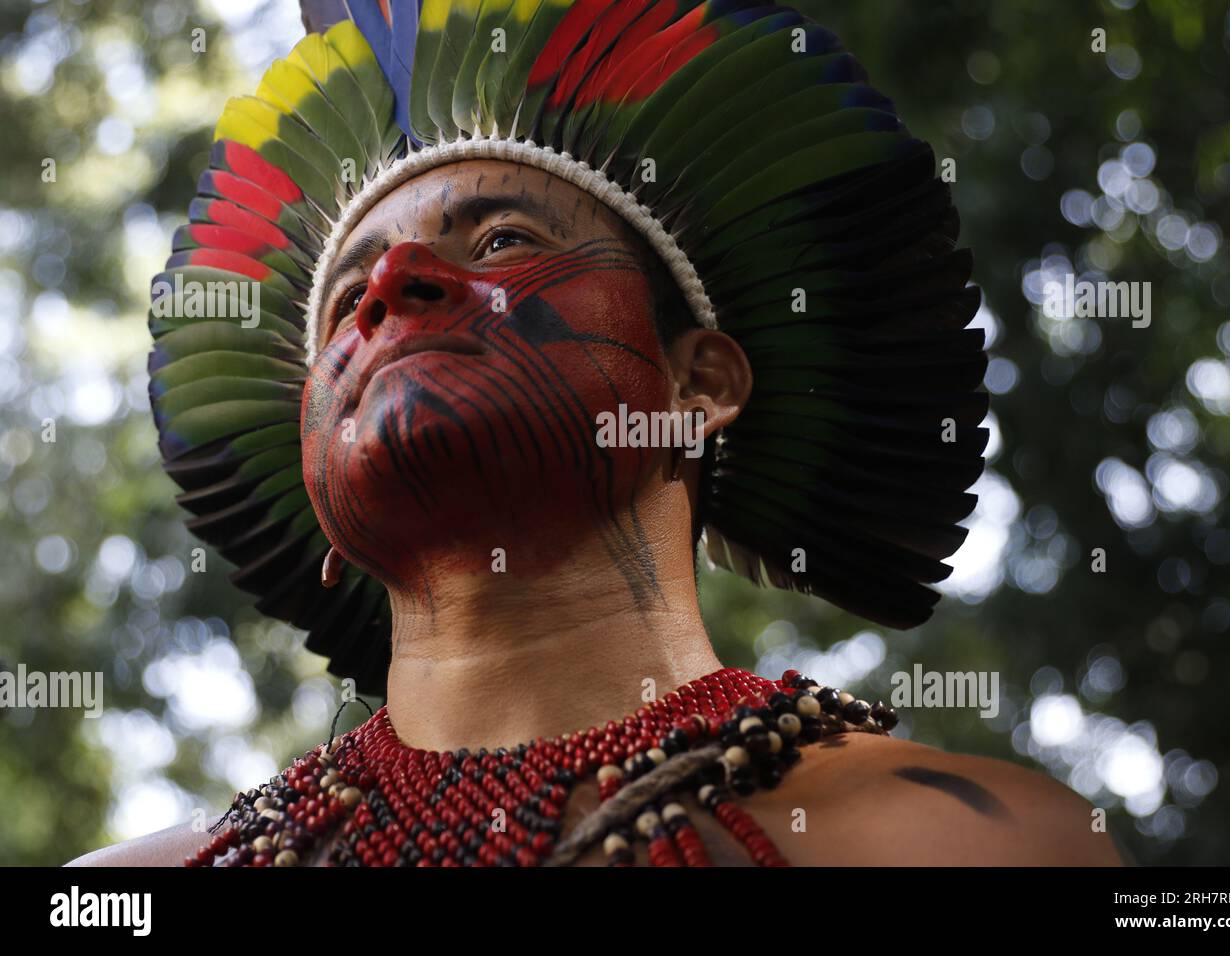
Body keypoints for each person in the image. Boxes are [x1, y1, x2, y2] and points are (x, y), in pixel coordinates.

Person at [68, 0, 1123, 867]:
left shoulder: (962, 839)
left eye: (504, 238)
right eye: (347, 300)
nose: (390, 286)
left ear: (697, 382)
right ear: (317, 494)